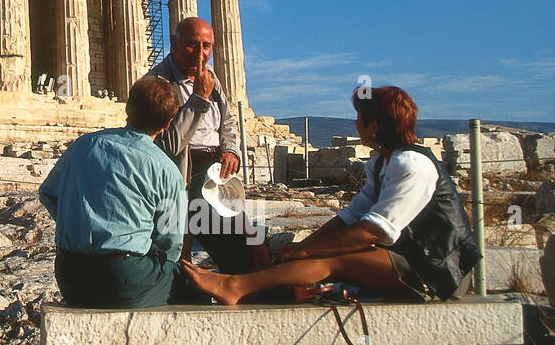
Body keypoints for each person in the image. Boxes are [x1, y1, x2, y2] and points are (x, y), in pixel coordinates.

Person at [186, 85, 480, 305]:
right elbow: (349, 217)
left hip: (438, 271)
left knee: (334, 261)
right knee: (323, 254)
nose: (354, 124)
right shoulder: (382, 163)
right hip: (408, 257)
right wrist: (304, 246)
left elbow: (370, 232)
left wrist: (306, 251)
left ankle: (235, 286)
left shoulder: (412, 164)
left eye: (359, 117)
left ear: (374, 126)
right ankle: (246, 290)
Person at [38, 76, 188, 307]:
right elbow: (170, 244)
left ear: (127, 108)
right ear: (168, 123)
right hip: (125, 277)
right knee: (193, 286)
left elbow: (48, 193)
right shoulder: (167, 171)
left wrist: (79, 222)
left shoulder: (83, 145)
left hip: (70, 277)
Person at [143, 17, 267, 274]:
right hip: (180, 172)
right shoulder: (156, 84)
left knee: (251, 250)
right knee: (179, 252)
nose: (201, 53)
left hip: (214, 172)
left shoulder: (211, 78)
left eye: (207, 46)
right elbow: (167, 144)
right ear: (174, 43)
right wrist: (199, 97)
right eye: (192, 44)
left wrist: (231, 149)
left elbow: (229, 120)